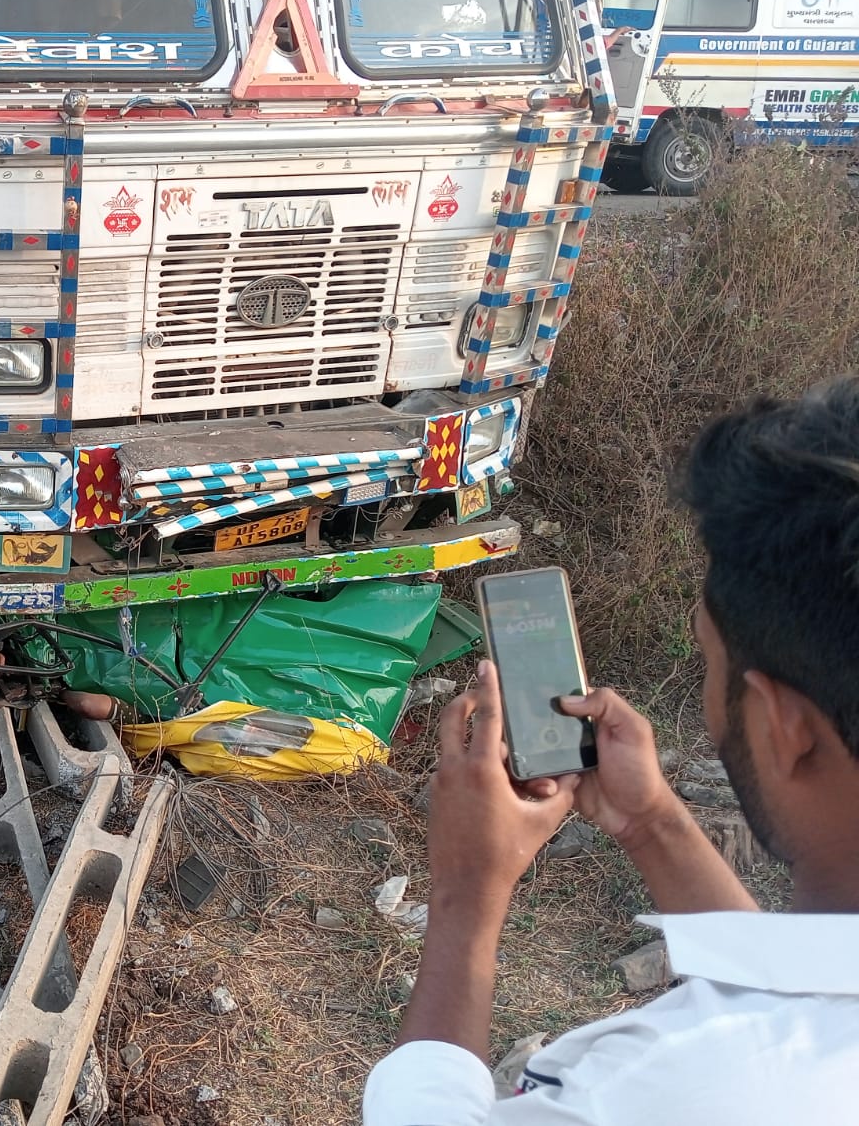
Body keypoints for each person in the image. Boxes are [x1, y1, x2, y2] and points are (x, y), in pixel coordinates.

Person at [363, 378, 859, 1125]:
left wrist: (466, 892)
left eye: (708, 659)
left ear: (782, 726)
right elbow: (801, 996)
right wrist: (651, 820)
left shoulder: (670, 1087)